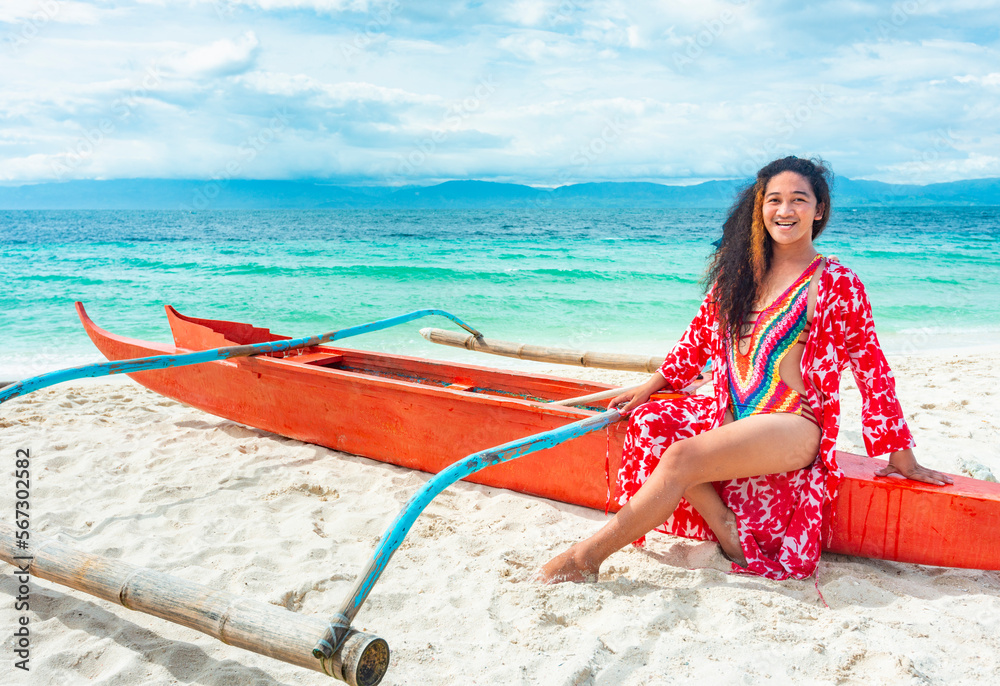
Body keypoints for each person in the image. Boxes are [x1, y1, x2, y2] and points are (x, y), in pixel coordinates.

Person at [537, 156, 952, 584]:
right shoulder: (741, 274)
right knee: (649, 421)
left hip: (790, 421)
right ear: (761, 208)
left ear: (819, 209)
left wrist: (899, 453)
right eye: (774, 200)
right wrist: (654, 384)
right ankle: (725, 525)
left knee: (680, 456)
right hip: (732, 409)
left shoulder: (835, 282)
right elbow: (698, 333)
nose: (785, 211)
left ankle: (584, 557)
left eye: (798, 200)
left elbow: (871, 366)